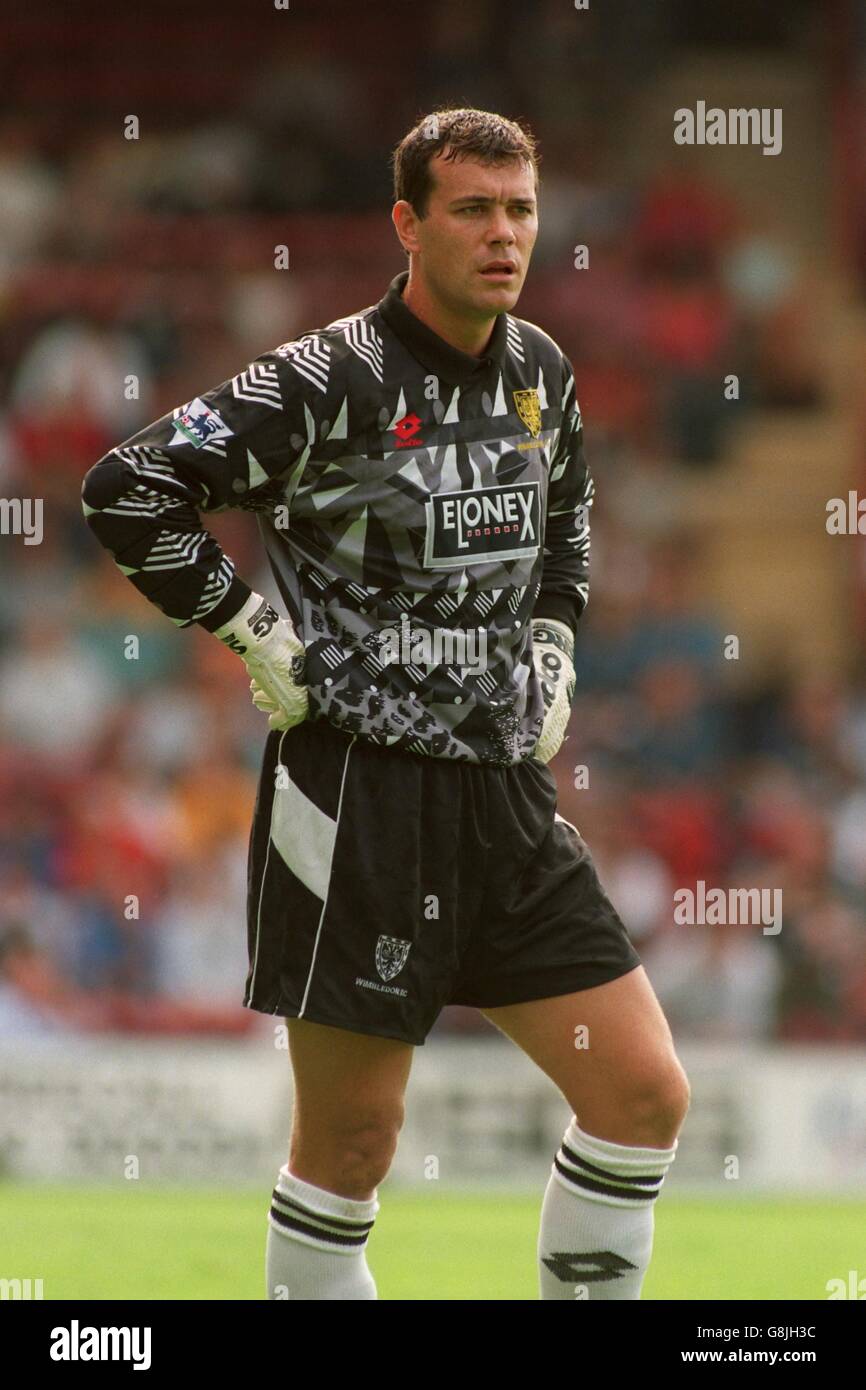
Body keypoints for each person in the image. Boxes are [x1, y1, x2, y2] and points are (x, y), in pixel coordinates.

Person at [81, 106, 690, 1301]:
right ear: (406, 223)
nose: (502, 234)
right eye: (471, 209)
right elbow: (127, 483)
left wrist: (556, 645)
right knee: (351, 1148)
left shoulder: (541, 373)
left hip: (507, 799)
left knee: (642, 1093)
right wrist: (244, 625)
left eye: (519, 210)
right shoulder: (323, 379)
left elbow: (563, 520)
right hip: (355, 793)